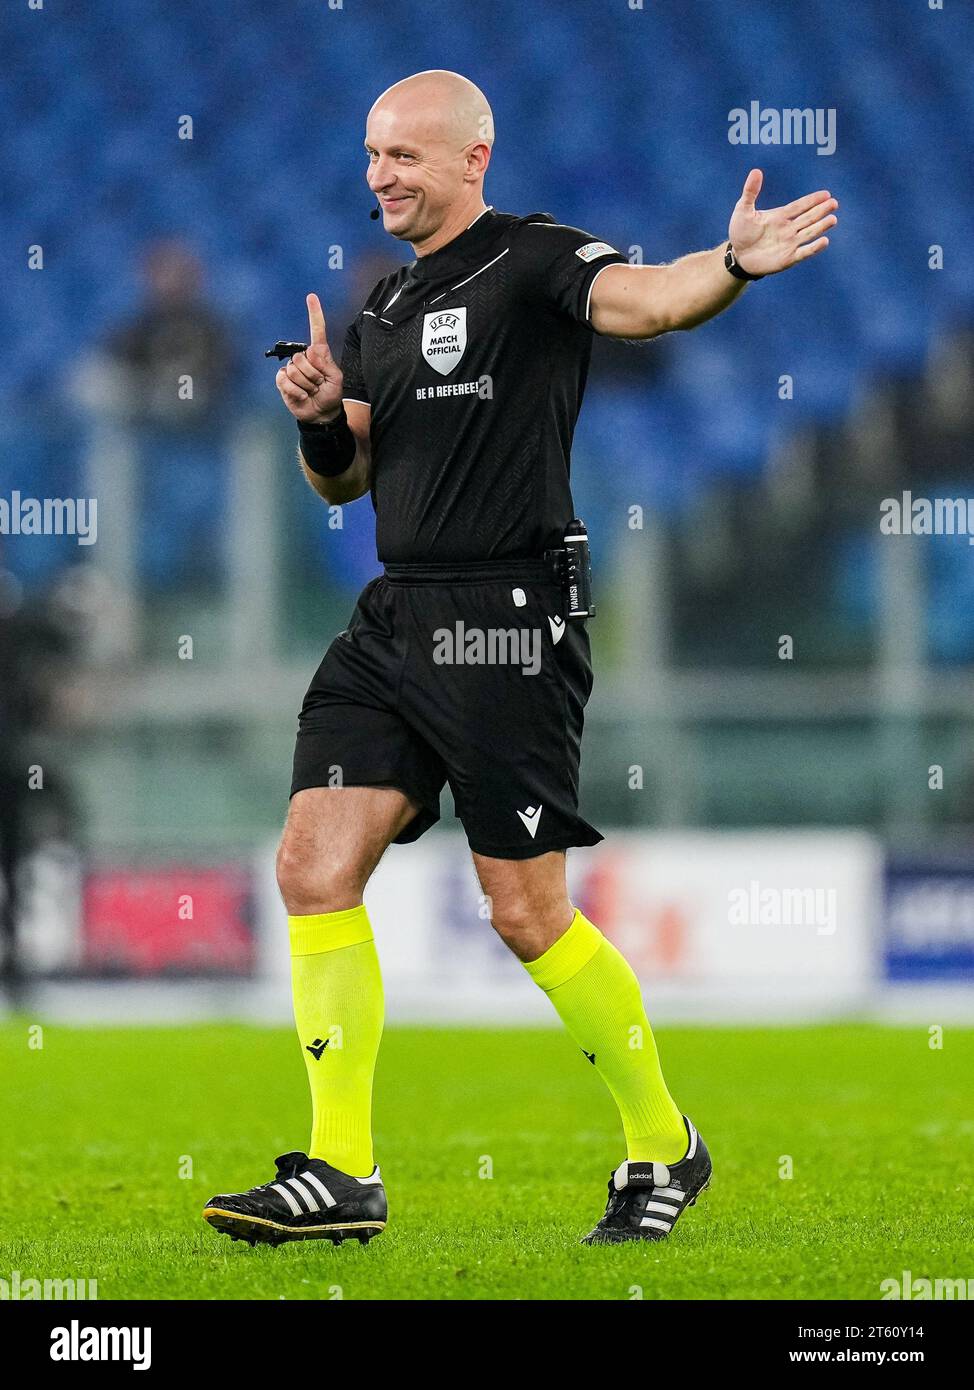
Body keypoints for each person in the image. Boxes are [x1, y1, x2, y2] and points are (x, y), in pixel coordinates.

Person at [203, 70, 838, 1247]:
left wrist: (731, 262)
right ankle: (342, 1173)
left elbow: (647, 305)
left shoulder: (535, 257)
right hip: (392, 618)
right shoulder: (384, 307)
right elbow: (345, 479)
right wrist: (314, 414)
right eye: (369, 155)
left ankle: (662, 1142)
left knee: (523, 909)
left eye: (403, 155)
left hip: (508, 618)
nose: (379, 175)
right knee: (310, 863)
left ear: (470, 159)